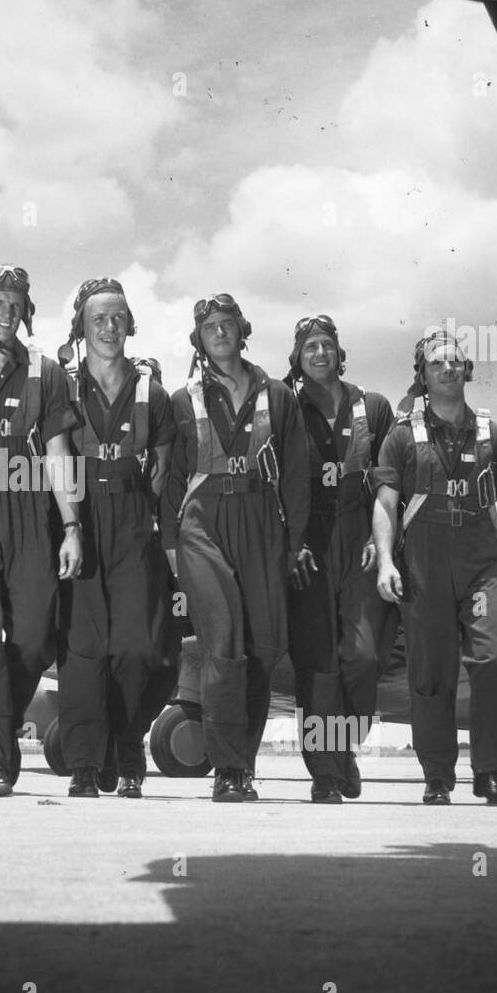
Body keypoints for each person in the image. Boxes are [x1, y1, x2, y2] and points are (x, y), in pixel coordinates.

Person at [371, 329, 497, 805]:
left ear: (468, 370)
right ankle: (438, 776)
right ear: (421, 375)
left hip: (483, 563)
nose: (447, 368)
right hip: (423, 565)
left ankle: (489, 771)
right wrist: (385, 562)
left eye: (455, 361)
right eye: (436, 362)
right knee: (430, 673)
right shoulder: (401, 437)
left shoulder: (494, 435)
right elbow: (386, 503)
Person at [161, 295, 310, 802]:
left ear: (242, 331)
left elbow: (295, 474)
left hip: (262, 519)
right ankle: (228, 770)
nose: (219, 332)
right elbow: (172, 477)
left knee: (264, 648)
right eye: (210, 327)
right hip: (202, 522)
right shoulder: (183, 399)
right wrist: (169, 545)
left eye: (227, 324)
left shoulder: (278, 396)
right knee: (222, 641)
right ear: (199, 339)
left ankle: (242, 762)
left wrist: (294, 544)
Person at [0, 265, 82, 796]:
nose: (6, 311)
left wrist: (71, 525)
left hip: (29, 507)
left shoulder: (46, 372)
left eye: (15, 303)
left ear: (26, 311)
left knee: (33, 636)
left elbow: (58, 452)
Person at [55, 279, 175, 797]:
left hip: (133, 519)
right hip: (78, 514)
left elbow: (164, 472)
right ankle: (86, 764)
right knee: (83, 650)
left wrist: (140, 517)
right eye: (97, 318)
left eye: (117, 317)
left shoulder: (155, 394)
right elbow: (56, 458)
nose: (108, 327)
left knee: (137, 648)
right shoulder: (61, 387)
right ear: (82, 327)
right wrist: (70, 526)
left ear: (130, 325)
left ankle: (127, 746)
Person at [285, 315, 398, 803]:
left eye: (327, 345)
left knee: (364, 657)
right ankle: (325, 773)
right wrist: (292, 542)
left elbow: (390, 482)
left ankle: (345, 746)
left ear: (339, 351)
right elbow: (278, 481)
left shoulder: (372, 407)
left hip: (361, 542)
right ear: (298, 356)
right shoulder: (285, 408)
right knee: (318, 665)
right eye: (310, 346)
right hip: (310, 545)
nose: (319, 353)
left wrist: (383, 539)